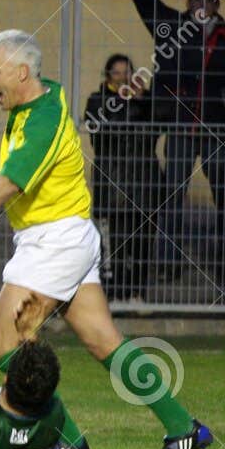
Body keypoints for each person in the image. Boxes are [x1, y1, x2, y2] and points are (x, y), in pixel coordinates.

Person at [0, 0, 214, 449]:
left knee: (0, 344)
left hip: (54, 240)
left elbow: (5, 187)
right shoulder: (41, 90)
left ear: (20, 75)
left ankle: (68, 439)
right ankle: (183, 427)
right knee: (104, 342)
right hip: (67, 235)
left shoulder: (39, 123)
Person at [132, 0, 225, 278]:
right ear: (187, 2)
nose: (201, 6)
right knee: (172, 196)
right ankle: (167, 266)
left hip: (216, 130)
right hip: (179, 126)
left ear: (218, 3)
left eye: (208, 0)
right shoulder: (170, 26)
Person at [82, 53, 160, 301]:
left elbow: (160, 122)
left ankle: (137, 293)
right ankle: (115, 294)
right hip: (111, 182)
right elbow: (99, 132)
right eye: (117, 73)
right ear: (108, 77)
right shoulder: (98, 100)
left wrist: (143, 100)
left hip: (143, 182)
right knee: (113, 243)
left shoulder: (146, 101)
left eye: (127, 72)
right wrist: (120, 100)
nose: (124, 78)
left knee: (141, 243)